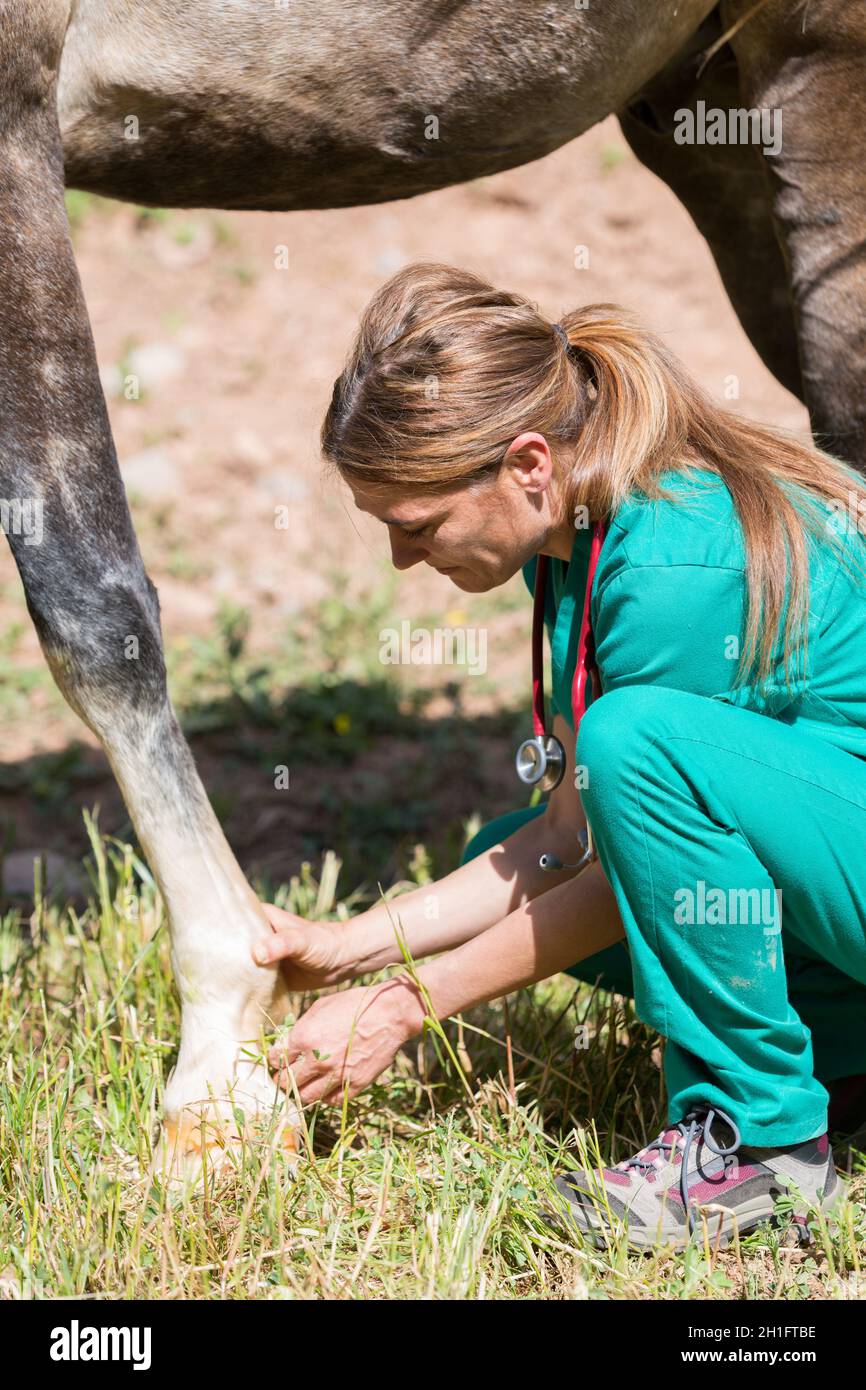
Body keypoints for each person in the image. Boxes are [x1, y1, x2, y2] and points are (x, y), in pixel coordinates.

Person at [253, 260, 866, 1249]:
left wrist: (407, 1003)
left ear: (527, 464)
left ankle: (758, 1151)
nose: (403, 560)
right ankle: (839, 1055)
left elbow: (614, 870)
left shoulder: (671, 565)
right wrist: (353, 946)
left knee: (633, 746)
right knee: (512, 835)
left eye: (415, 524)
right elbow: (560, 842)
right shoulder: (586, 537)